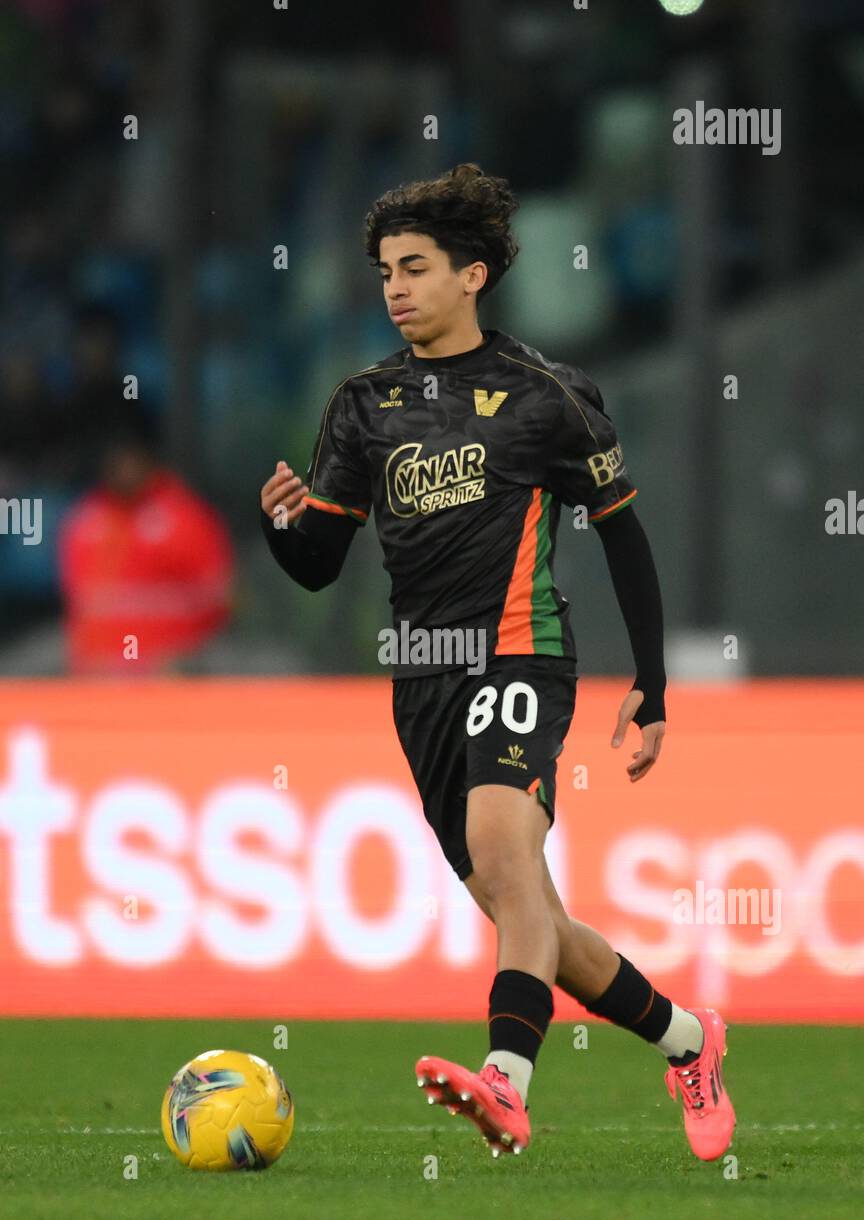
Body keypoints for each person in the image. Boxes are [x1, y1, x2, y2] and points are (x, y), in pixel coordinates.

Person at [260, 163, 734, 1162]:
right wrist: (283, 526)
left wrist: (652, 683)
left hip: (522, 654)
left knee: (510, 860)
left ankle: (506, 1085)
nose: (394, 286)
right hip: (421, 681)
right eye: (386, 269)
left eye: (416, 266)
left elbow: (623, 534)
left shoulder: (546, 399)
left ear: (472, 274)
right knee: (537, 921)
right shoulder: (363, 405)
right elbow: (317, 566)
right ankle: (692, 1040)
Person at [59, 415, 234, 675]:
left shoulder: (186, 517)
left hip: (175, 670)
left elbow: (221, 599)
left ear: (149, 460)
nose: (123, 467)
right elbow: (78, 601)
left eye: (130, 458)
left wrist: (181, 657)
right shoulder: (84, 520)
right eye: (115, 461)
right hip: (95, 672)